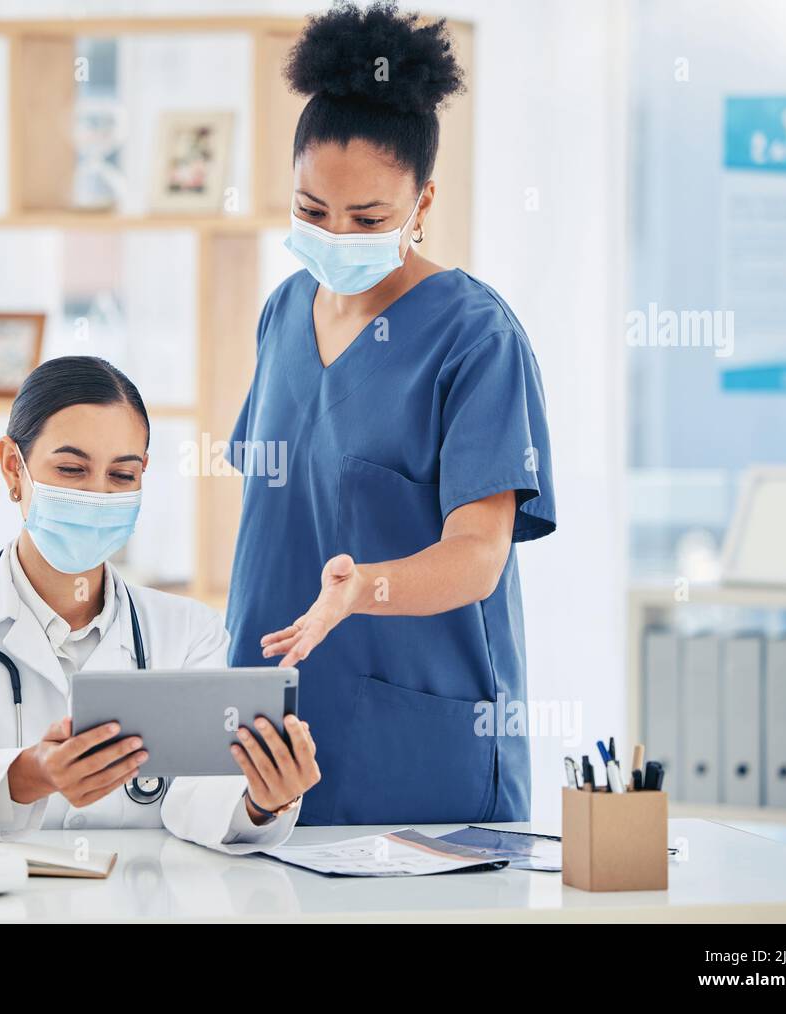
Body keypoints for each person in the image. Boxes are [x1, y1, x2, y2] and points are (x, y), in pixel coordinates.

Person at [225, 1, 557, 825]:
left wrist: (361, 591)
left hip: (417, 747)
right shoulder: (282, 313)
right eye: (312, 211)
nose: (336, 236)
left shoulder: (474, 338)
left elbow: (478, 555)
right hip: (271, 740)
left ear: (423, 202)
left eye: (368, 218)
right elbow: (272, 522)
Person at [0, 356, 320, 851]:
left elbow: (201, 788)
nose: (98, 494)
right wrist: (26, 775)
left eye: (122, 475)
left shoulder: (188, 632)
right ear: (13, 467)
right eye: (72, 469)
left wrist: (262, 799)